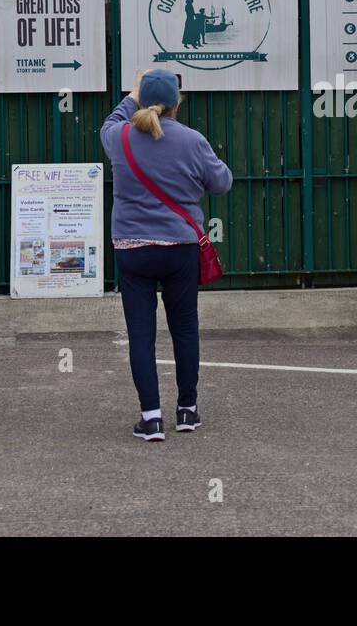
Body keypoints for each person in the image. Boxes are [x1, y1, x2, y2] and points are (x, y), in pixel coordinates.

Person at [101, 69, 232, 441]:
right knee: (185, 329)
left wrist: (132, 94)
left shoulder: (118, 136)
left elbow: (111, 119)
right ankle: (187, 410)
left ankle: (151, 418)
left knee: (141, 335)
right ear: (178, 102)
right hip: (180, 249)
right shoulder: (192, 140)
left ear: (140, 99)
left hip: (132, 251)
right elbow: (222, 182)